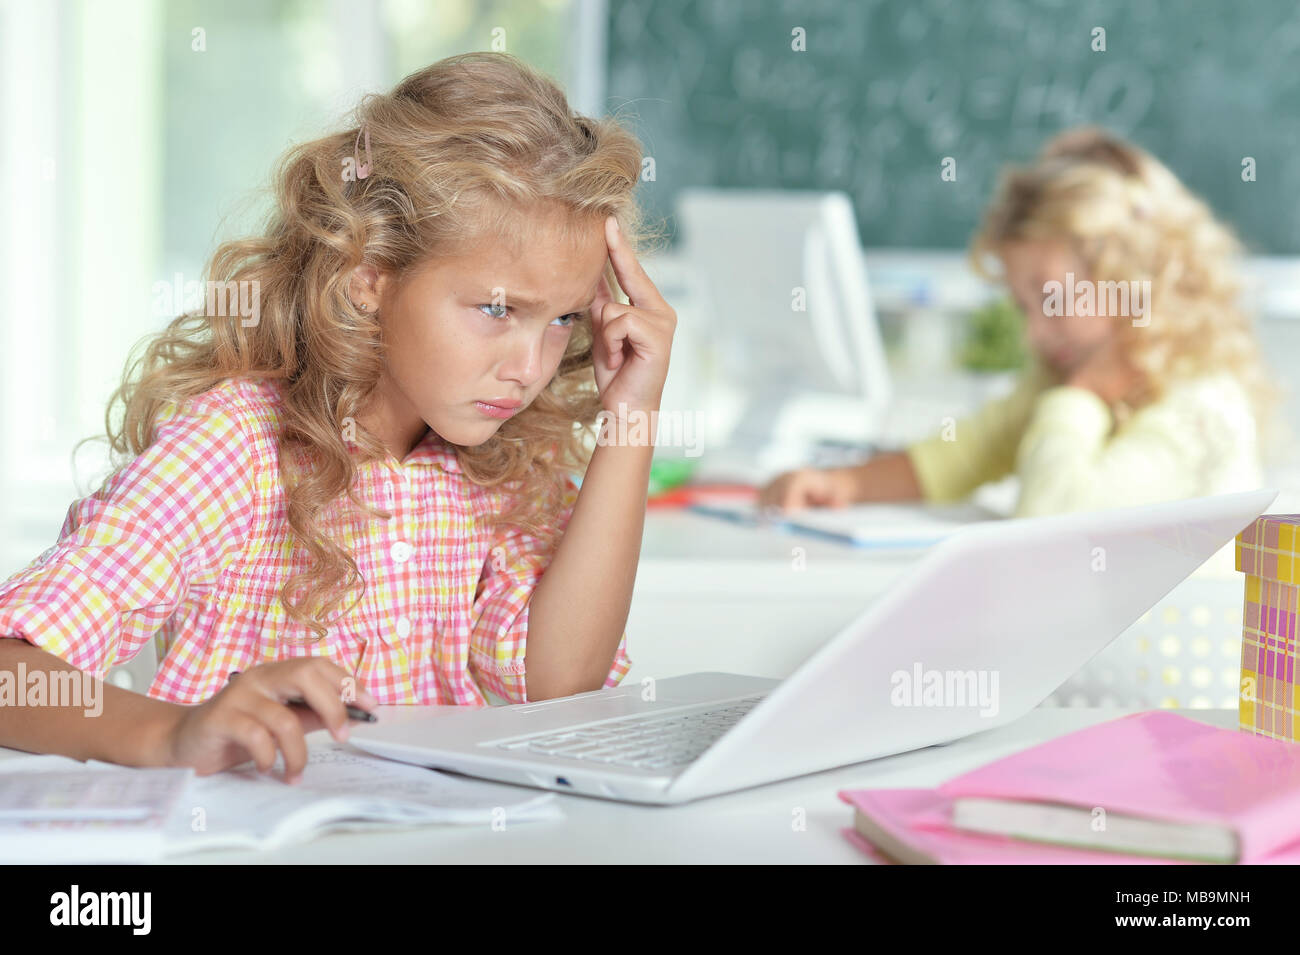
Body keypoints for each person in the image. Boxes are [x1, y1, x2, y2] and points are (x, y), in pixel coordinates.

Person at [0, 52, 676, 782]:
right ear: (369, 278)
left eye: (563, 318)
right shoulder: (234, 449)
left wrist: (631, 419)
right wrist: (174, 732)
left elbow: (558, 686)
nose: (529, 366)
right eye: (496, 309)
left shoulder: (503, 461)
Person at [760, 127, 1275, 518]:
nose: (1033, 332)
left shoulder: (1202, 408)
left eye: (1050, 300)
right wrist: (844, 485)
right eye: (1023, 307)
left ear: (1133, 283)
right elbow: (964, 453)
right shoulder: (1058, 384)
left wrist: (1080, 398)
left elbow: (1053, 523)